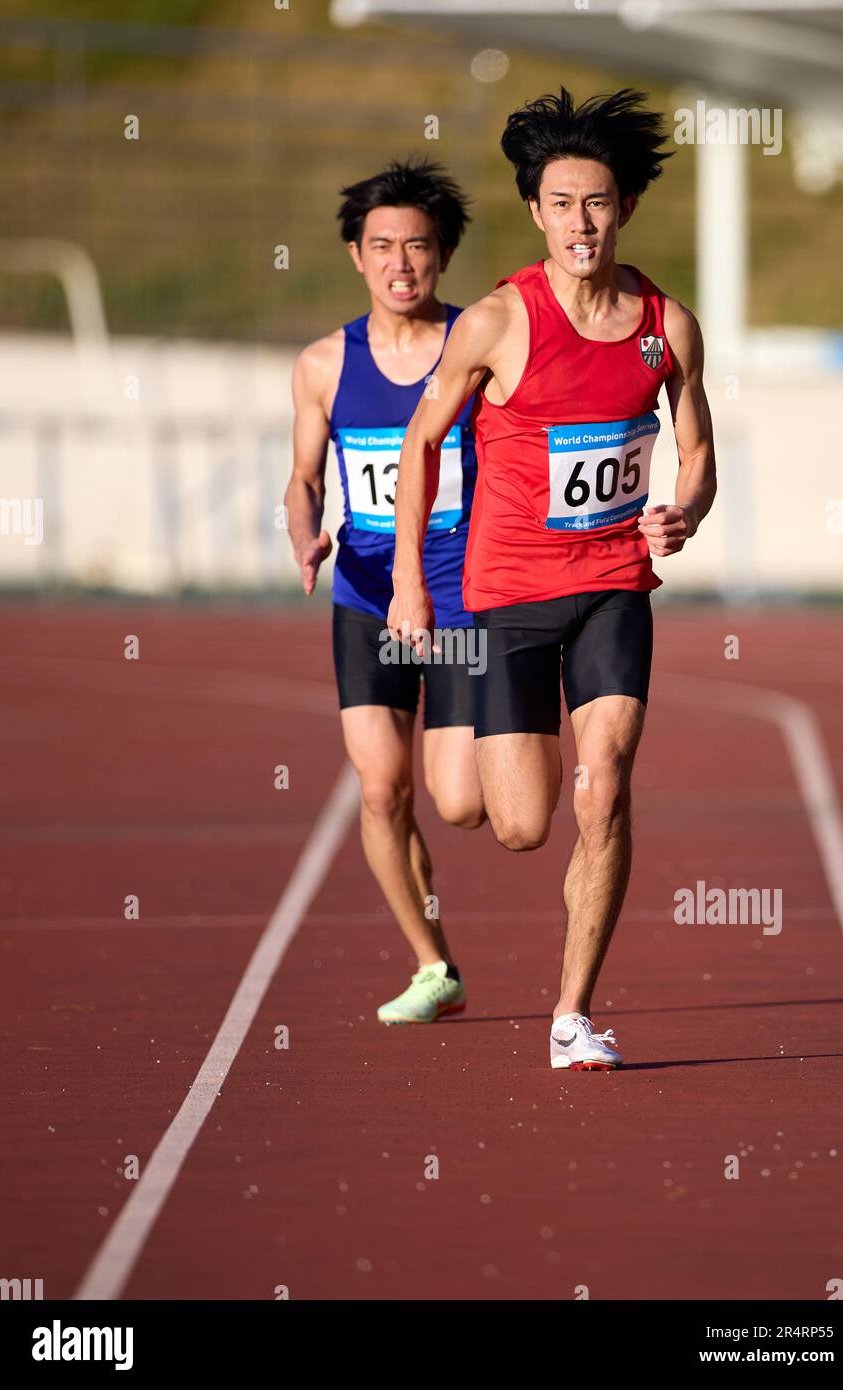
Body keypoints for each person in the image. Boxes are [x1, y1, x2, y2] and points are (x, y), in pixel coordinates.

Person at [388, 90, 717, 1069]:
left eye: (599, 202)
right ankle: (467, 747)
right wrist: (410, 582)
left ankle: (571, 1014)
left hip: (614, 581)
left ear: (623, 208)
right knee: (520, 825)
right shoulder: (495, 321)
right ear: (535, 210)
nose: (581, 223)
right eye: (562, 203)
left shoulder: (665, 324)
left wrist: (684, 510)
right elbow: (418, 443)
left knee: (604, 787)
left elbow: (696, 453)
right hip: (508, 593)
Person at [285, 158, 485, 1026]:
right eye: (383, 248)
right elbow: (301, 479)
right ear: (356, 257)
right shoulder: (325, 364)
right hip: (366, 595)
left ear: (442, 255)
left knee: (461, 802)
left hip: (460, 592)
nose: (401, 264)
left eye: (418, 247)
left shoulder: (477, 345)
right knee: (379, 791)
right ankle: (432, 962)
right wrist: (306, 531)